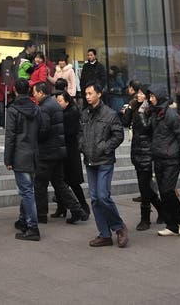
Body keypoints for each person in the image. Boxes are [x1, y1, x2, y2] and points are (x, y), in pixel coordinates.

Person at [79, 82, 127, 248]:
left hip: (104, 161)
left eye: (90, 93)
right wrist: (82, 146)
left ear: (99, 94)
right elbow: (80, 133)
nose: (87, 97)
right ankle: (105, 234)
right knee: (94, 199)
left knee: (102, 196)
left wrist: (105, 148)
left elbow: (118, 135)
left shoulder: (110, 114)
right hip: (90, 160)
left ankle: (119, 227)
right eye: (86, 94)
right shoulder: (84, 114)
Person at [32, 81, 85, 225]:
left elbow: (43, 130)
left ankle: (41, 215)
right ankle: (77, 210)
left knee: (40, 184)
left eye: (35, 92)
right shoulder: (54, 104)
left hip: (47, 152)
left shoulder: (44, 107)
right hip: (58, 150)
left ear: (41, 93)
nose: (34, 95)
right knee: (59, 183)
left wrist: (36, 138)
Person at [150, 84, 180, 237]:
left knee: (168, 191)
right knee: (163, 192)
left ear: (159, 96)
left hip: (171, 159)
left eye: (153, 96)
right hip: (158, 158)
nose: (151, 99)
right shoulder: (155, 114)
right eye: (150, 96)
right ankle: (171, 225)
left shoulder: (171, 115)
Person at [120, 84, 162, 230]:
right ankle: (162, 210)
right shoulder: (136, 107)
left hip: (147, 152)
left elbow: (146, 127)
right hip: (137, 150)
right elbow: (125, 123)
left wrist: (140, 112)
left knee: (144, 188)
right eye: (138, 93)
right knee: (145, 187)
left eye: (141, 93)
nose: (138, 95)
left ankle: (145, 219)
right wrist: (130, 108)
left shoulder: (149, 110)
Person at [4, 78, 41, 241]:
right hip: (33, 153)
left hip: (20, 154)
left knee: (26, 192)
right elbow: (42, 129)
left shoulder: (13, 110)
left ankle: (32, 226)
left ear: (14, 90)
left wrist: (8, 159)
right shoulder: (36, 108)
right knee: (28, 189)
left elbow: (10, 136)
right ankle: (24, 221)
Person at [54, 90, 90, 219]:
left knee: (73, 182)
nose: (58, 103)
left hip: (70, 153)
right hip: (63, 152)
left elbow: (69, 132)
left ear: (67, 102)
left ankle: (84, 207)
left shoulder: (72, 113)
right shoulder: (62, 112)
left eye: (60, 101)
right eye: (56, 101)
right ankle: (61, 208)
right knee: (60, 182)